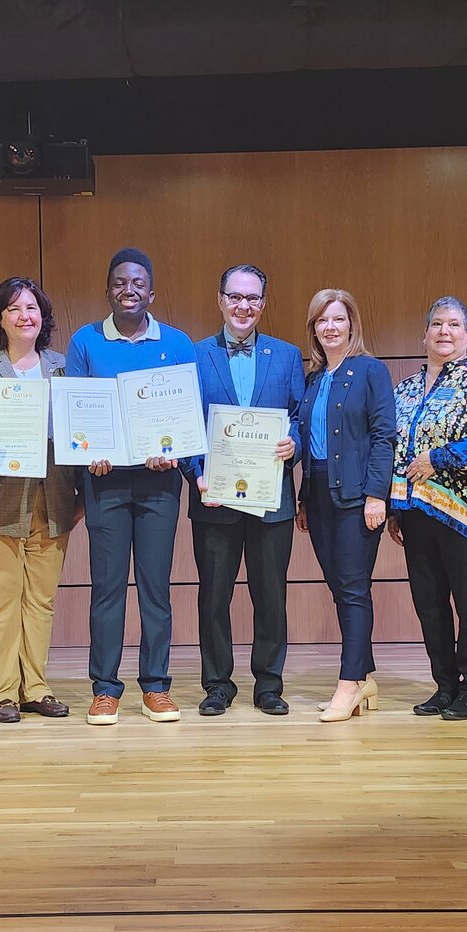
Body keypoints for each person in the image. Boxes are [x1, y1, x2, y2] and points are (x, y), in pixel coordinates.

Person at [66, 247, 198, 726]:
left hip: (159, 483)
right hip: (106, 483)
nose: (129, 290)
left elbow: (189, 416)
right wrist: (89, 452)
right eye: (120, 282)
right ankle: (105, 689)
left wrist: (175, 452)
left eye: (138, 283)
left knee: (155, 588)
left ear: (151, 293)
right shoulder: (85, 341)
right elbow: (78, 412)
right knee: (106, 589)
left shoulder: (177, 343)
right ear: (108, 291)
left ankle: (156, 686)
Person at [0, 277, 80, 724]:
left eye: (32, 308)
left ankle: (36, 688)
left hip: (54, 500)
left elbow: (81, 429)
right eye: (13, 309)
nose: (24, 316)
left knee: (41, 600)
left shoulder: (64, 367)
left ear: (43, 316)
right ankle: (1, 693)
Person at [187, 264, 304, 718]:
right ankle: (217, 684)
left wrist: (293, 443)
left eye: (252, 298)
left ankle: (269, 684)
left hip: (271, 499)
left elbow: (298, 415)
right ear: (220, 300)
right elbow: (184, 424)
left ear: (263, 303)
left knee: (271, 596)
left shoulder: (288, 355)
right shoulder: (195, 354)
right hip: (213, 497)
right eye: (235, 296)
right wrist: (196, 474)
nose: (243, 306)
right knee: (214, 596)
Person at [386, 297, 467, 723]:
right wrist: (395, 506)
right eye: (437, 324)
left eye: (454, 324)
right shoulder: (404, 389)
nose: (444, 331)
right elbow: (392, 447)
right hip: (416, 513)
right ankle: (445, 686)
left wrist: (439, 459)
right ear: (424, 334)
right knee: (430, 605)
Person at [296, 289, 395, 723]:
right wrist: (303, 498)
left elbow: (384, 436)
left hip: (357, 496)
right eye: (322, 321)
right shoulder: (314, 378)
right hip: (318, 495)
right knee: (340, 588)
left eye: (338, 319)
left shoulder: (371, 370)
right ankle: (365, 676)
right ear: (314, 329)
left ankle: (349, 683)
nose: (330, 327)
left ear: (352, 324)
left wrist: (377, 495)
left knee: (354, 590)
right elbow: (308, 441)